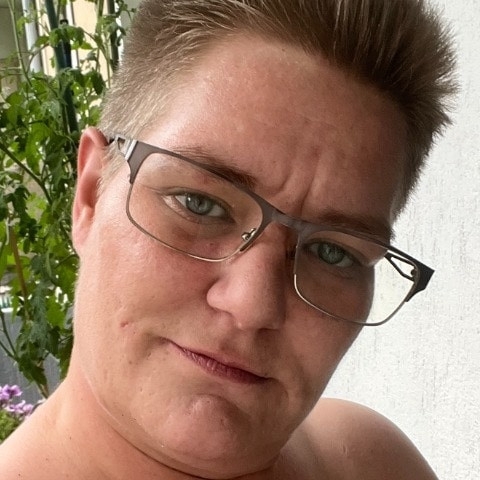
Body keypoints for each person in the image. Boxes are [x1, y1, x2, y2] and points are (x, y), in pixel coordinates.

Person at [0, 0, 456, 478]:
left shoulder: (369, 460)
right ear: (90, 195)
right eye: (199, 203)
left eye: (332, 252)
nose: (253, 305)